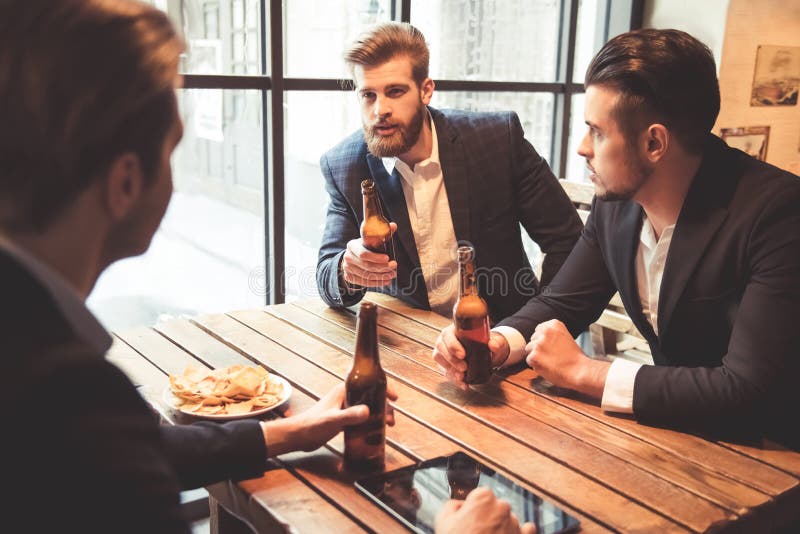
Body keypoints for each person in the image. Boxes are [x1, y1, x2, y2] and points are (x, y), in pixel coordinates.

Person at [0, 2, 530, 532]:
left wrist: (293, 430)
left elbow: (142, 449)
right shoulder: (71, 390)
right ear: (125, 182)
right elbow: (123, 449)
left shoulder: (46, 369)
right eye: (172, 150)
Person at [434, 28, 800, 449]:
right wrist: (497, 343)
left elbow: (745, 389)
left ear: (654, 142)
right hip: (678, 436)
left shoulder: (779, 215)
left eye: (598, 131)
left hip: (773, 452)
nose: (582, 147)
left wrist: (588, 373)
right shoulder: (617, 203)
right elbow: (564, 301)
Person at [316, 22, 582, 324]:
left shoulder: (497, 141)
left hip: (503, 341)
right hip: (408, 346)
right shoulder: (344, 165)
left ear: (426, 90)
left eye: (395, 91)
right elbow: (327, 273)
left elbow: (568, 241)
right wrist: (347, 269)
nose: (380, 110)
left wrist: (536, 325)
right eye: (369, 95)